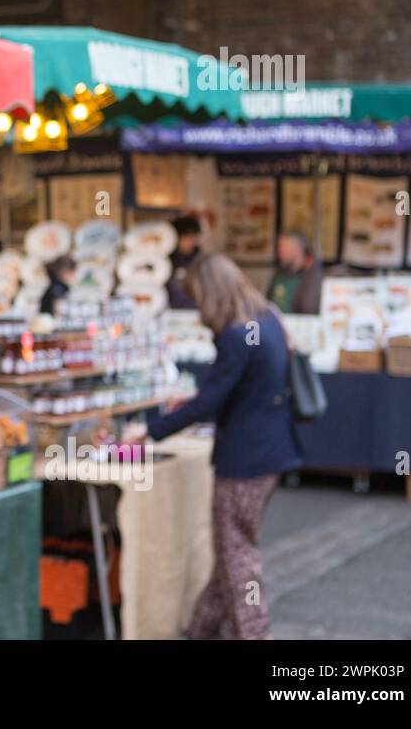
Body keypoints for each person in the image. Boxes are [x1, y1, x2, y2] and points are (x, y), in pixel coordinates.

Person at [125, 252, 302, 640]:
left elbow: (209, 401)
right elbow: (232, 391)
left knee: (237, 556)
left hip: (245, 459)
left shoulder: (237, 336)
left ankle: (254, 634)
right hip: (271, 452)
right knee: (230, 551)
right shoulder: (267, 317)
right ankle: (202, 630)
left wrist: (150, 430)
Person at [268, 231, 324, 315]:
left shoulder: (314, 276)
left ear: (296, 250)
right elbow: (266, 303)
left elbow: (309, 310)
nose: (279, 253)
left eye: (282, 249)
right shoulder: (279, 274)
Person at [167, 214, 203, 309]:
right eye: (186, 237)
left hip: (196, 312)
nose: (190, 241)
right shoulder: (166, 262)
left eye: (193, 237)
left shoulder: (201, 261)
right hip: (171, 312)